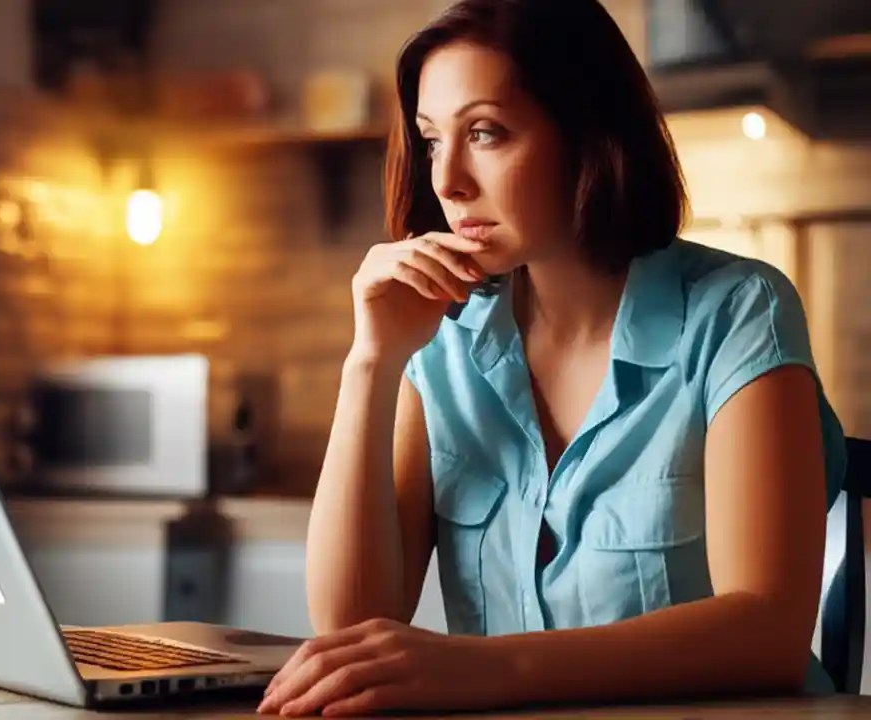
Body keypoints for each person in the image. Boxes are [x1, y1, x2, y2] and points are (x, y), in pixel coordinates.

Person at [257, 0, 848, 716]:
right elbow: (351, 633)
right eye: (432, 140)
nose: (448, 181)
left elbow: (768, 632)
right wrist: (371, 363)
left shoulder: (738, 311)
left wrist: (477, 670)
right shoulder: (441, 343)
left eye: (485, 133)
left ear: (588, 134)